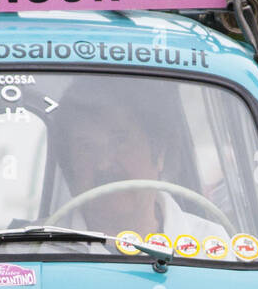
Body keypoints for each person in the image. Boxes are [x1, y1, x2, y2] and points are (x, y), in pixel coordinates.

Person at [53, 98, 233, 253]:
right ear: (70, 166)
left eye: (120, 141)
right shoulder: (37, 248)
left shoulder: (210, 246)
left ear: (159, 152)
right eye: (86, 147)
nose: (103, 164)